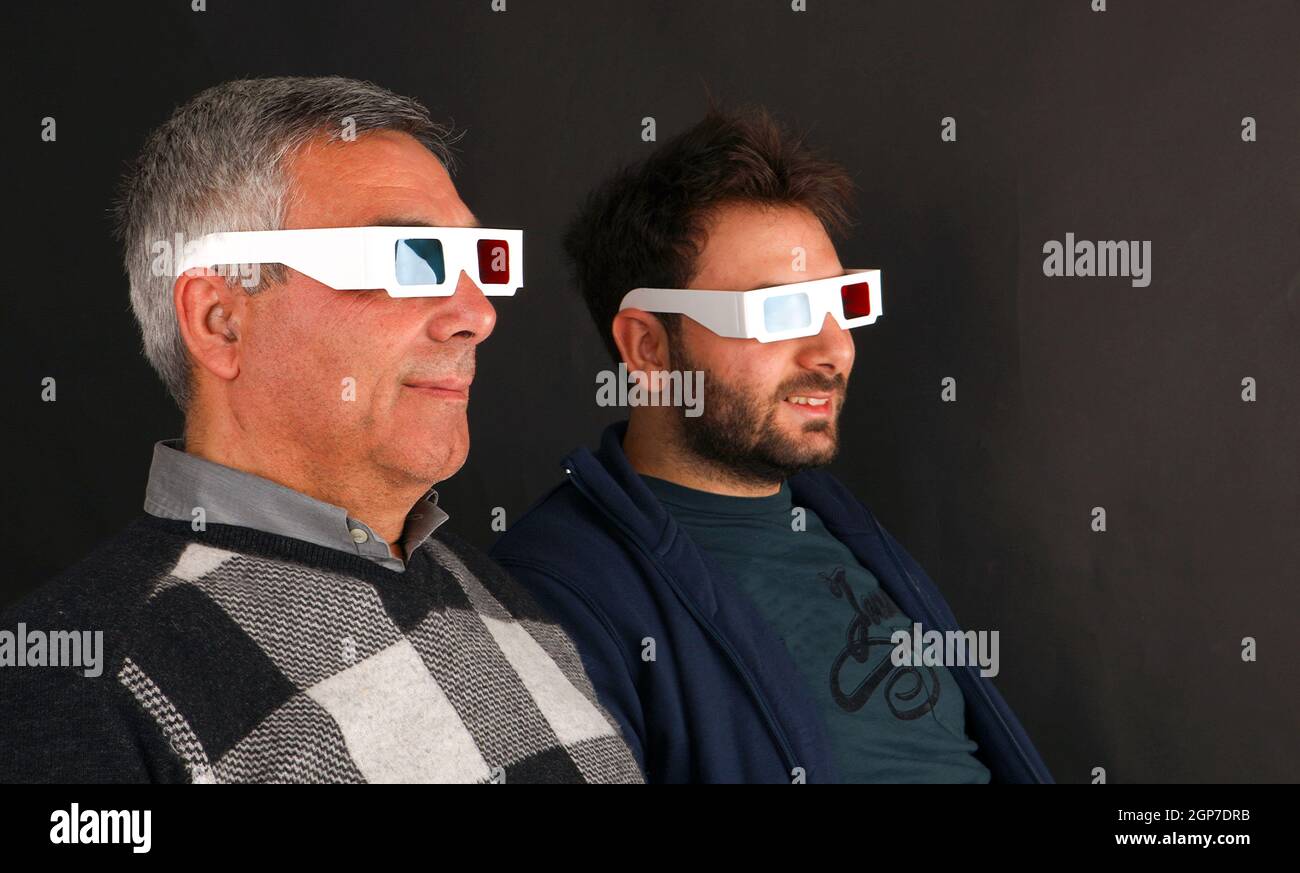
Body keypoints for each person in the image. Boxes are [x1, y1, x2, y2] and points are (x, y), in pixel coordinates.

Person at [0, 76, 642, 784]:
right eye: (407, 260)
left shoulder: (500, 596)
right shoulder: (70, 683)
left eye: (480, 262)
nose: (478, 313)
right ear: (220, 320)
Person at [492, 107, 1053, 784]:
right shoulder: (553, 589)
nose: (833, 350)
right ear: (647, 345)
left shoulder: (835, 522)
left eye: (842, 303)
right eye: (779, 312)